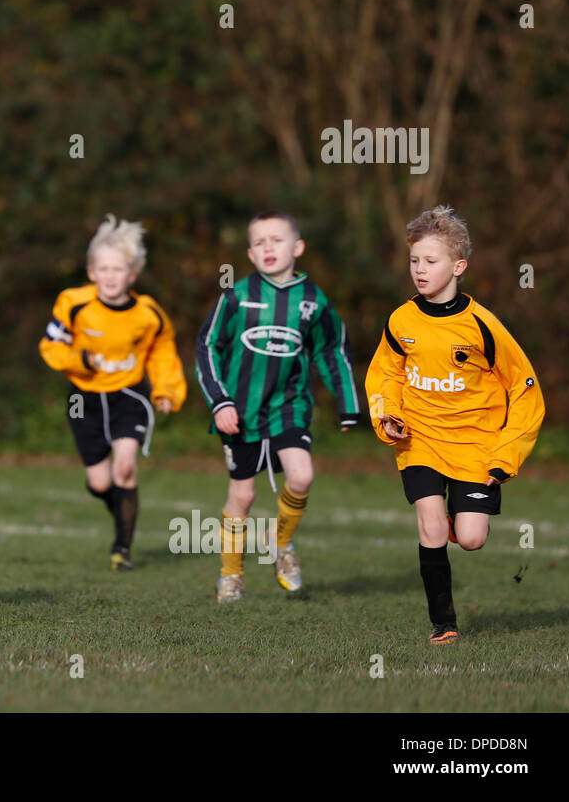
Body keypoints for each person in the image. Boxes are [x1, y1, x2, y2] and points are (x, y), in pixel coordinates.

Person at [365, 205, 543, 644]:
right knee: (429, 526)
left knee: (471, 538)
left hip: (475, 447)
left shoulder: (483, 326)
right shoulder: (400, 320)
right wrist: (387, 417)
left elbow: (525, 390)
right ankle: (443, 625)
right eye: (414, 260)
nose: (419, 270)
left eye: (431, 261)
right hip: (420, 440)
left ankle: (457, 517)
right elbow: (384, 375)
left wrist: (506, 456)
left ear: (458, 266)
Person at [195, 210, 361, 602]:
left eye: (277, 240)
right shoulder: (236, 296)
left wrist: (348, 402)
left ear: (297, 247)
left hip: (289, 405)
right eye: (259, 242)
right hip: (240, 409)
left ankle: (279, 543)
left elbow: (332, 351)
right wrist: (220, 402)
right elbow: (207, 347)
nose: (268, 247)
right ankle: (231, 574)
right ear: (250, 254)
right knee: (243, 497)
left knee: (301, 476)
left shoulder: (312, 301)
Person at [38, 214, 186, 570]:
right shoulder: (73, 303)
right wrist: (81, 360)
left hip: (129, 397)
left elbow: (163, 349)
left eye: (118, 269)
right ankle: (121, 510)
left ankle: (122, 548)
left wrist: (166, 390)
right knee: (99, 482)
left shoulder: (149, 313)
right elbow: (50, 346)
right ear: (91, 271)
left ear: (132, 274)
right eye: (103, 268)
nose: (110, 276)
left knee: (125, 470)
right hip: (83, 400)